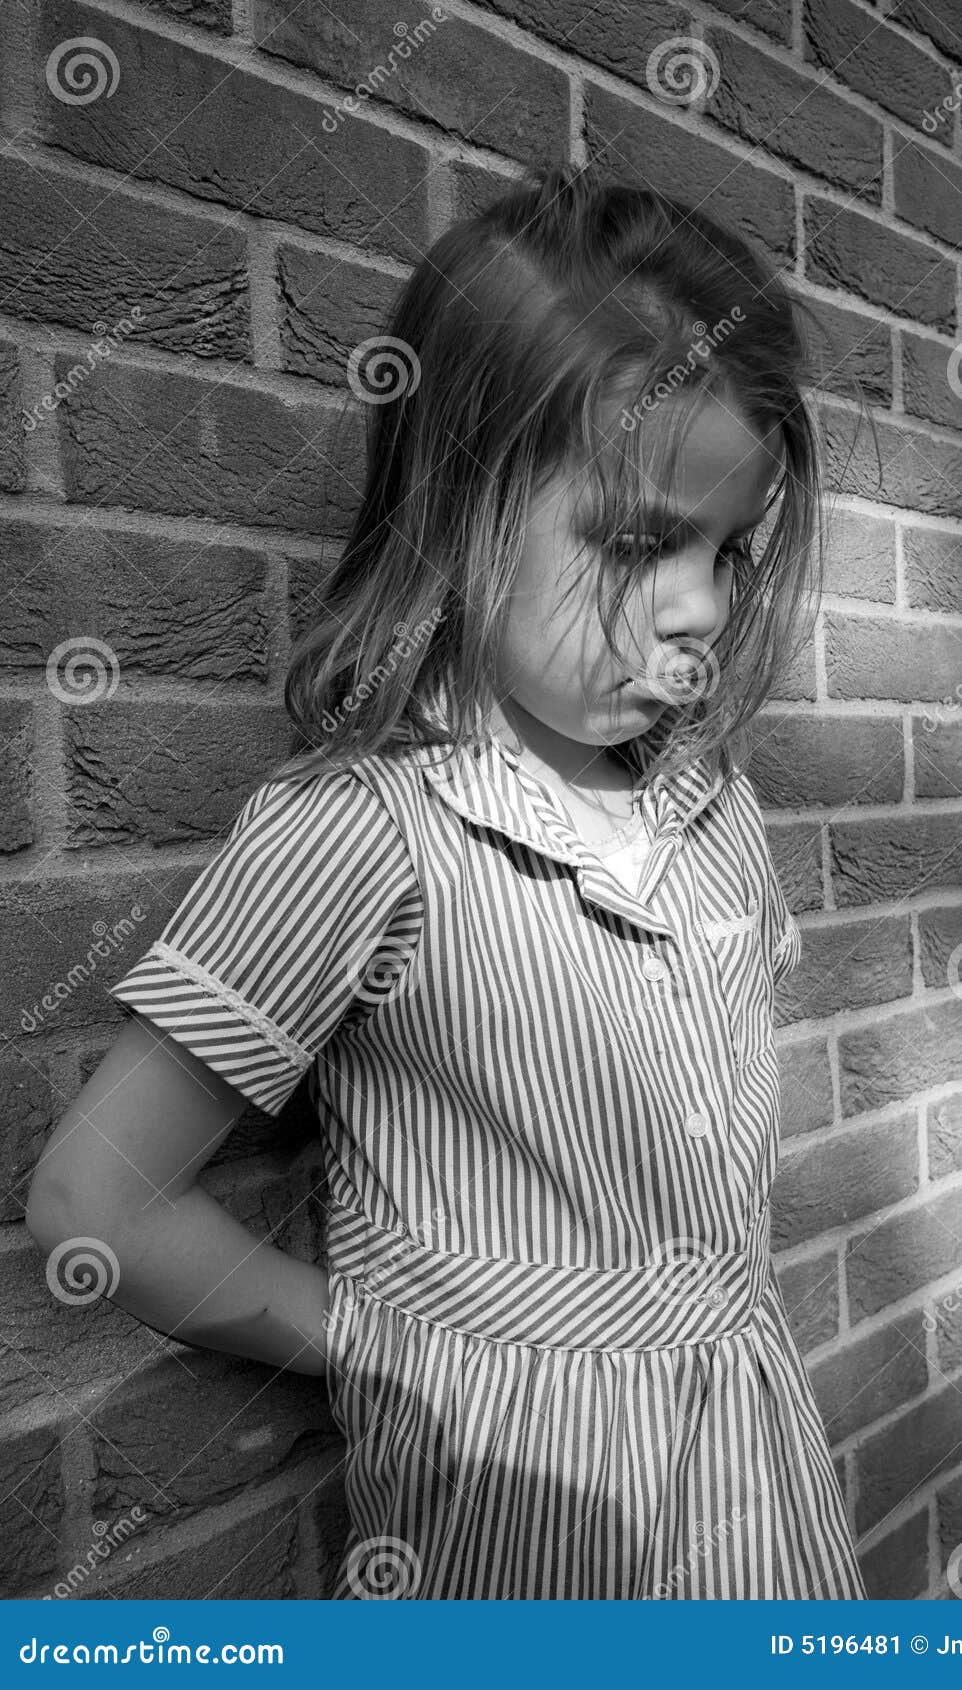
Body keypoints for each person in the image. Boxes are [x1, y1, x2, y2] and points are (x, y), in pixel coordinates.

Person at [26, 162, 868, 1601]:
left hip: (761, 1504)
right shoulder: (362, 830)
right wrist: (385, 1345)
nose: (704, 607)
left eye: (730, 549)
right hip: (524, 1542)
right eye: (637, 540)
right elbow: (95, 1202)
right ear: (462, 500)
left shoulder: (713, 802)